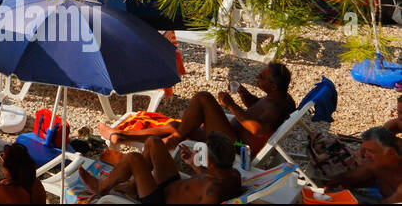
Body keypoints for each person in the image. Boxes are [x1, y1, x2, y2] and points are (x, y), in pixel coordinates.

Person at [98, 63, 295, 154]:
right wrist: (244, 94)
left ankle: (174, 141)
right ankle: (121, 135)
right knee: (176, 125)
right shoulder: (281, 99)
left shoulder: (275, 108)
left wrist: (231, 104)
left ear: (273, 86)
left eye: (260, 77)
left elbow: (256, 128)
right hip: (232, 136)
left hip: (235, 147)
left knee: (204, 98)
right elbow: (256, 109)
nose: (256, 78)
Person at [78, 131, 242, 204]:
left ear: (210, 161)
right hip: (170, 186)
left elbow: (207, 189)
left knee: (133, 158)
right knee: (153, 142)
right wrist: (194, 164)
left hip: (158, 200)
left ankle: (101, 187)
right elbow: (206, 179)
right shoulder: (232, 174)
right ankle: (134, 186)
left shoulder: (212, 192)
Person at [326, 126, 402, 203]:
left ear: (390, 153)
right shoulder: (374, 164)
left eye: (371, 151)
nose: (366, 155)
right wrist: (329, 186)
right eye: (365, 150)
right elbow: (348, 177)